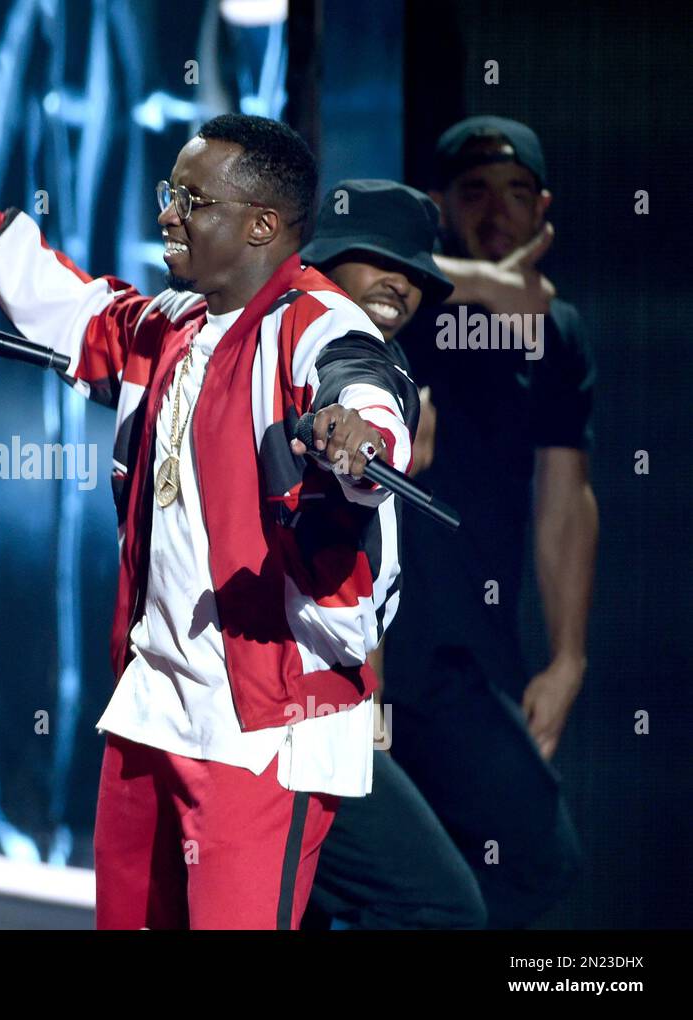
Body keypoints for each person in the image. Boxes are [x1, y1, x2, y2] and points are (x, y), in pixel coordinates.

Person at [0, 112, 419, 929]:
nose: (166, 215)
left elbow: (364, 391)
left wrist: (360, 435)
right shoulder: (171, 325)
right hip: (150, 709)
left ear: (260, 225)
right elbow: (68, 307)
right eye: (169, 194)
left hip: (262, 730)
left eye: (190, 199)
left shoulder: (320, 325)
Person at [385, 116, 596, 927]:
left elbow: (564, 497)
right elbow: (326, 267)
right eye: (474, 193)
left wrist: (569, 657)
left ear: (543, 208)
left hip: (472, 660)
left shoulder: (556, 332)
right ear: (437, 205)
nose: (496, 213)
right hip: (365, 650)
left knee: (521, 864)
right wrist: (476, 286)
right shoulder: (396, 301)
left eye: (516, 195)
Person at [298, 178, 486, 928]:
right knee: (440, 906)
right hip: (281, 708)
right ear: (322, 263)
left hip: (330, 700)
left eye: (414, 273)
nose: (397, 284)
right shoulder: (306, 351)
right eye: (376, 259)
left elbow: (364, 576)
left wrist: (367, 703)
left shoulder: (396, 371)